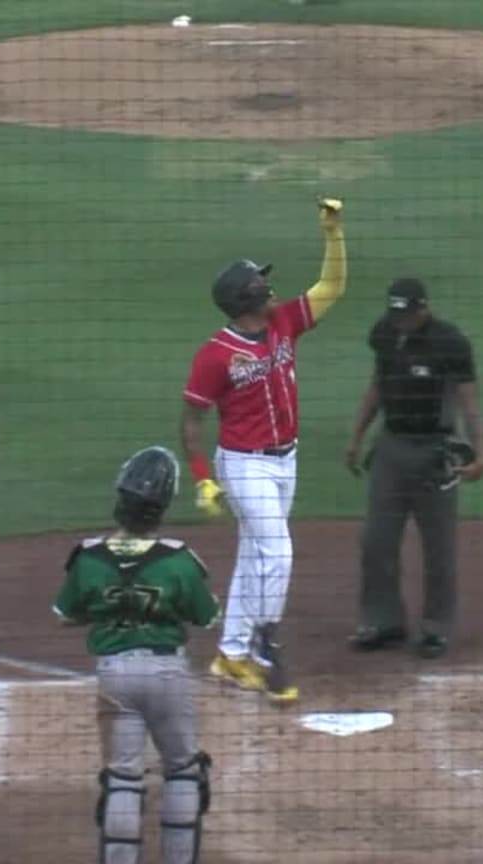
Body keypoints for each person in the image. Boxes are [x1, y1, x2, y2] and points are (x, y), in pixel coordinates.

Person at [179, 197, 347, 704]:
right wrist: (204, 477)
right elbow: (191, 420)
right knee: (278, 551)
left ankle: (231, 655)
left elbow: (333, 288)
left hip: (285, 460)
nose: (272, 286)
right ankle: (267, 644)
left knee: (255, 557)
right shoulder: (215, 355)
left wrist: (333, 234)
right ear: (248, 297)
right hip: (245, 464)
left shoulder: (283, 324)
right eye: (262, 282)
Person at [52, 445, 220, 864]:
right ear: (162, 507)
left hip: (115, 677)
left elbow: (65, 616)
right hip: (167, 674)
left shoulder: (88, 558)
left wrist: (109, 609)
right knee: (183, 770)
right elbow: (207, 617)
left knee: (123, 777)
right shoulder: (179, 561)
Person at [343, 277, 483, 659]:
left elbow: (468, 400)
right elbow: (377, 386)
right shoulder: (385, 334)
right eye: (395, 314)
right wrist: (356, 437)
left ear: (423, 308)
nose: (400, 321)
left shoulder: (449, 343)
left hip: (435, 452)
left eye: (406, 314)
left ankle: (436, 628)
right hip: (391, 448)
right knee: (376, 541)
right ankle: (383, 620)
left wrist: (481, 452)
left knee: (438, 546)